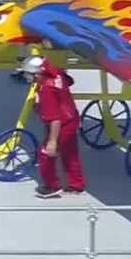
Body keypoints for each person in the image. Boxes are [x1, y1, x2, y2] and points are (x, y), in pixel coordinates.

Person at [18, 56, 85, 198]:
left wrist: (52, 142)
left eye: (27, 74)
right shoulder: (56, 74)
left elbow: (55, 119)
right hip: (72, 117)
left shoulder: (47, 91)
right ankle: (76, 184)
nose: (25, 76)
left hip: (63, 123)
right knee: (70, 153)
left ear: (36, 74)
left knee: (46, 154)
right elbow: (69, 81)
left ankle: (52, 186)